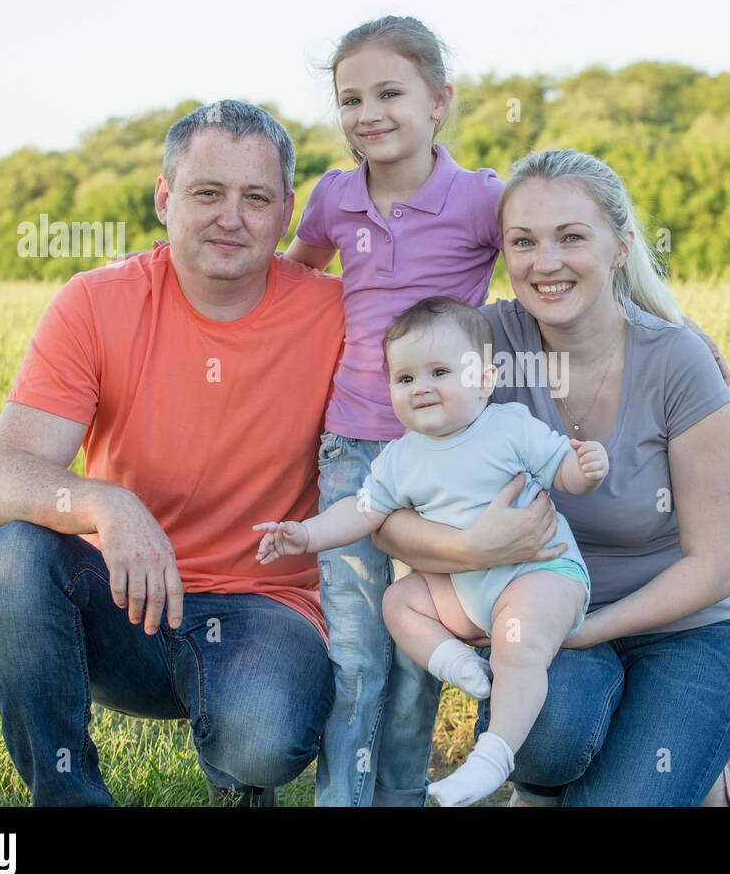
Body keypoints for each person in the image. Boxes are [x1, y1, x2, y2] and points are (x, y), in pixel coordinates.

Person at [0, 100, 345, 806]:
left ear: (288, 212)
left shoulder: (334, 314)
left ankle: (238, 777)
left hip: (268, 607)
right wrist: (102, 501)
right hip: (127, 600)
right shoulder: (95, 303)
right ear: (164, 198)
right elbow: (1, 480)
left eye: (255, 198)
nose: (231, 217)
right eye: (208, 193)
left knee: (263, 737)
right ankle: (68, 793)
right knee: (15, 555)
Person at [374, 148, 730, 805]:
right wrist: (468, 551)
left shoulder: (677, 361)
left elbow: (714, 566)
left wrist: (585, 629)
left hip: (685, 627)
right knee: (547, 744)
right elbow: (385, 513)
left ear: (618, 247)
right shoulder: (483, 346)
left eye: (570, 237)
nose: (544, 263)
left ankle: (706, 760)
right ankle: (548, 781)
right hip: (549, 608)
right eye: (523, 242)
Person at [280, 16, 508, 806]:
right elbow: (297, 275)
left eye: (389, 92)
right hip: (351, 450)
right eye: (350, 99)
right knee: (356, 648)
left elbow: (557, 265)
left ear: (438, 100)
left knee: (421, 649)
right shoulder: (334, 197)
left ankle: (402, 795)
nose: (367, 112)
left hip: (445, 461)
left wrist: (670, 330)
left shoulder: (481, 200)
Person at [253, 297, 606, 806]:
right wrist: (305, 535)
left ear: (485, 380)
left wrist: (585, 470)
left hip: (542, 572)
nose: (421, 387)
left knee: (520, 639)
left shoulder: (507, 426)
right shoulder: (401, 457)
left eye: (440, 372)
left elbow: (561, 470)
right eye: (405, 378)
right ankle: (462, 667)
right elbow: (363, 510)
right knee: (399, 601)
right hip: (465, 591)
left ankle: (494, 756)